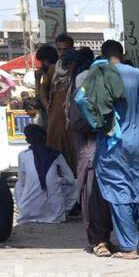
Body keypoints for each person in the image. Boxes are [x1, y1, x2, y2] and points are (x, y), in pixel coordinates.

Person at [80, 40, 139, 259]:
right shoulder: (137, 74)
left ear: (102, 54)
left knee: (118, 193)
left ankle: (129, 247)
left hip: (113, 142)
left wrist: (96, 122)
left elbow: (81, 100)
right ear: (123, 53)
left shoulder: (99, 74)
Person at [68, 47, 114, 255]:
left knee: (106, 199)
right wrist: (101, 123)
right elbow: (78, 122)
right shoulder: (82, 95)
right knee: (92, 198)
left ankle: (104, 237)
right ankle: (98, 240)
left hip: (105, 153)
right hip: (91, 154)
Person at [15, 123, 76, 223]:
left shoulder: (22, 155)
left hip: (28, 212)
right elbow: (71, 179)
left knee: (18, 185)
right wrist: (58, 180)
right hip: (56, 214)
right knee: (75, 183)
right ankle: (64, 210)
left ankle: (25, 208)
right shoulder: (56, 154)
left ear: (28, 140)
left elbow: (22, 183)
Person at [46, 47, 79, 186]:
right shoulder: (53, 71)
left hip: (71, 123)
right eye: (59, 48)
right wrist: (47, 104)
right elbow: (43, 90)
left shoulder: (78, 76)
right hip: (56, 121)